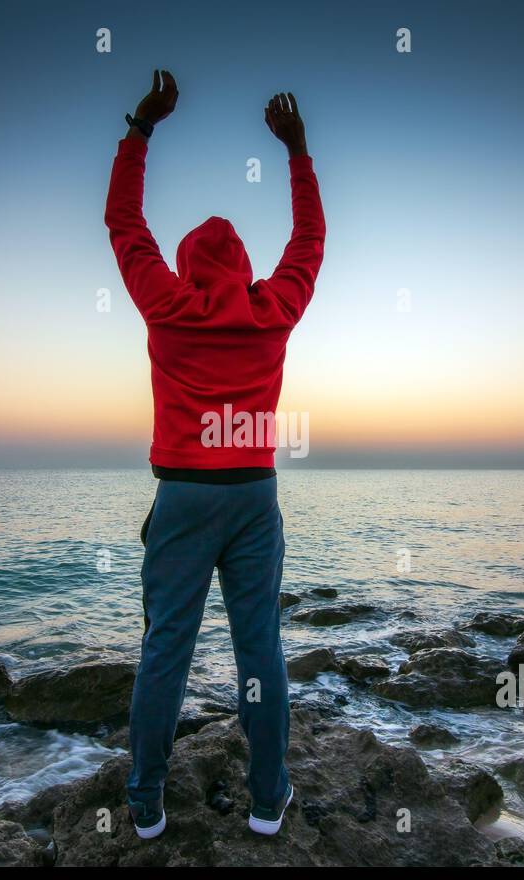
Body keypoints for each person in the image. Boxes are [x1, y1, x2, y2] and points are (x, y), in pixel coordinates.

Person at [104, 69, 326, 838]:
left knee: (166, 647)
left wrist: (142, 126)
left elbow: (123, 223)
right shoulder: (270, 310)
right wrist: (297, 151)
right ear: (241, 268)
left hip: (184, 497)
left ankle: (145, 803)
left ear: (189, 263)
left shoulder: (165, 304)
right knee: (258, 647)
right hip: (254, 498)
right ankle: (269, 802)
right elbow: (309, 242)